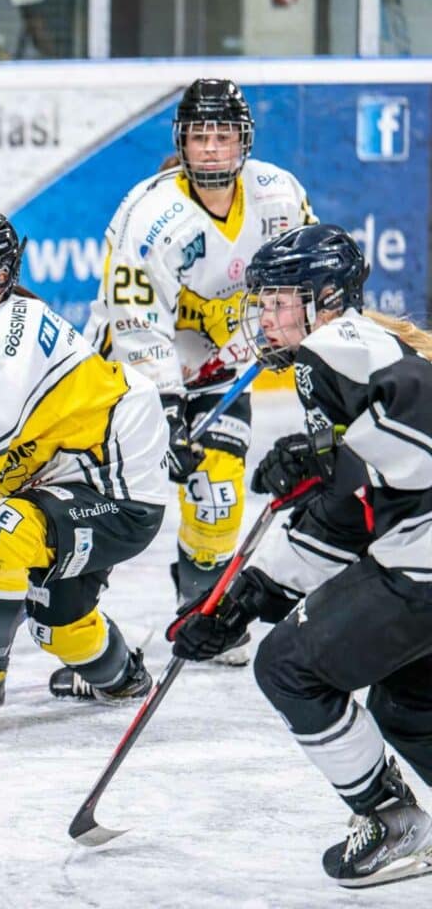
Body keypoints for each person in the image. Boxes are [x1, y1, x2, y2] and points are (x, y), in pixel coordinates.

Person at [170, 224, 432, 888]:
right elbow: (352, 507)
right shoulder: (362, 349)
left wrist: (330, 464)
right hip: (417, 551)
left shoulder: (332, 350)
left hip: (423, 560)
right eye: (262, 302)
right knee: (407, 707)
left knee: (289, 665)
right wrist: (249, 596)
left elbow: (375, 487)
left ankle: (395, 823)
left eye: (281, 301)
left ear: (327, 300)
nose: (266, 317)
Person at [0, 210, 169, 738]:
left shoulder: (11, 331)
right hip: (61, 478)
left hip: (114, 490)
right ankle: (123, 678)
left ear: (0, 278)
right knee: (59, 627)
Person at [84, 78, 316, 668]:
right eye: (199, 136)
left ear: (245, 140)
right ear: (181, 142)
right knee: (106, 504)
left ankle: (201, 603)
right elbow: (135, 321)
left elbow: (306, 275)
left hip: (219, 370)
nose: (211, 148)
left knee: (218, 493)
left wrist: (294, 330)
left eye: (223, 135)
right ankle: (76, 619)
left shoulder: (279, 196)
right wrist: (164, 407)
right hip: (126, 378)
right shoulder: (149, 214)